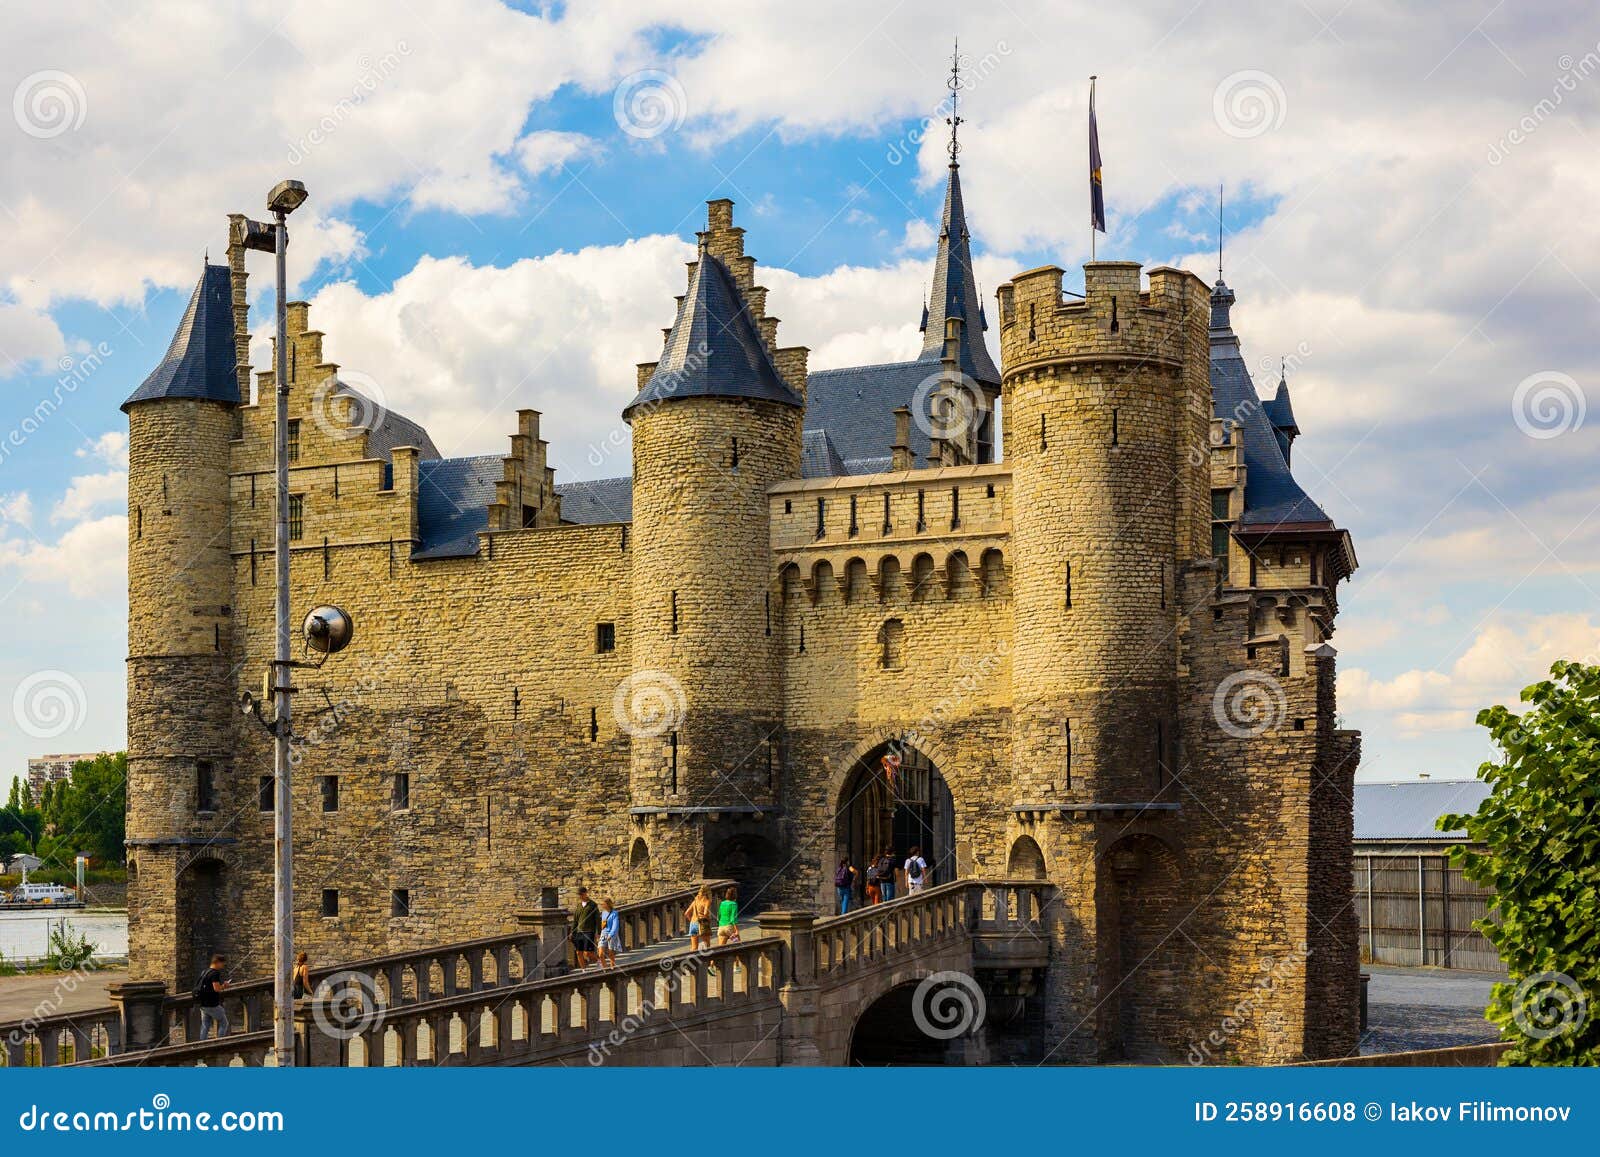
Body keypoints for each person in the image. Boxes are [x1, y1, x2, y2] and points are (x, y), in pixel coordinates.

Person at [195, 953, 230, 1039]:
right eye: (222, 964)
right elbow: (217, 989)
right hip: (212, 1004)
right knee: (224, 1023)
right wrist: (224, 985)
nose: (222, 966)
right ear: (217, 962)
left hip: (203, 1003)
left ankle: (202, 1044)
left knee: (205, 1025)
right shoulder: (215, 973)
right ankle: (219, 1042)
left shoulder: (205, 971)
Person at [572, 886, 601, 969]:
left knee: (587, 953)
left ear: (585, 893)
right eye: (578, 895)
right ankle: (583, 970)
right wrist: (572, 933)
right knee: (578, 952)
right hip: (579, 932)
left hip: (589, 931)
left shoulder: (593, 905)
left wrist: (598, 933)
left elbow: (598, 920)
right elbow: (575, 920)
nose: (580, 896)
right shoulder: (579, 906)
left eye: (581, 894)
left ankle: (599, 961)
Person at [685, 884, 714, 952]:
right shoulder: (707, 901)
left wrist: (691, 920)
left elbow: (686, 913)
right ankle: (707, 962)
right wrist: (708, 919)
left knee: (694, 948)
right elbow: (705, 913)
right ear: (708, 892)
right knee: (707, 946)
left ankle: (693, 961)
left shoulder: (695, 901)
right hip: (701, 923)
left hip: (692, 924)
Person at [597, 897, 622, 969]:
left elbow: (615, 926)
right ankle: (605, 968)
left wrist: (611, 934)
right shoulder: (603, 913)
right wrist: (600, 934)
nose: (602, 905)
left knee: (610, 953)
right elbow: (603, 925)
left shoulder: (614, 913)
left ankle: (612, 966)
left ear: (607, 904)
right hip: (604, 934)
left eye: (603, 904)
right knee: (600, 953)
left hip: (611, 934)